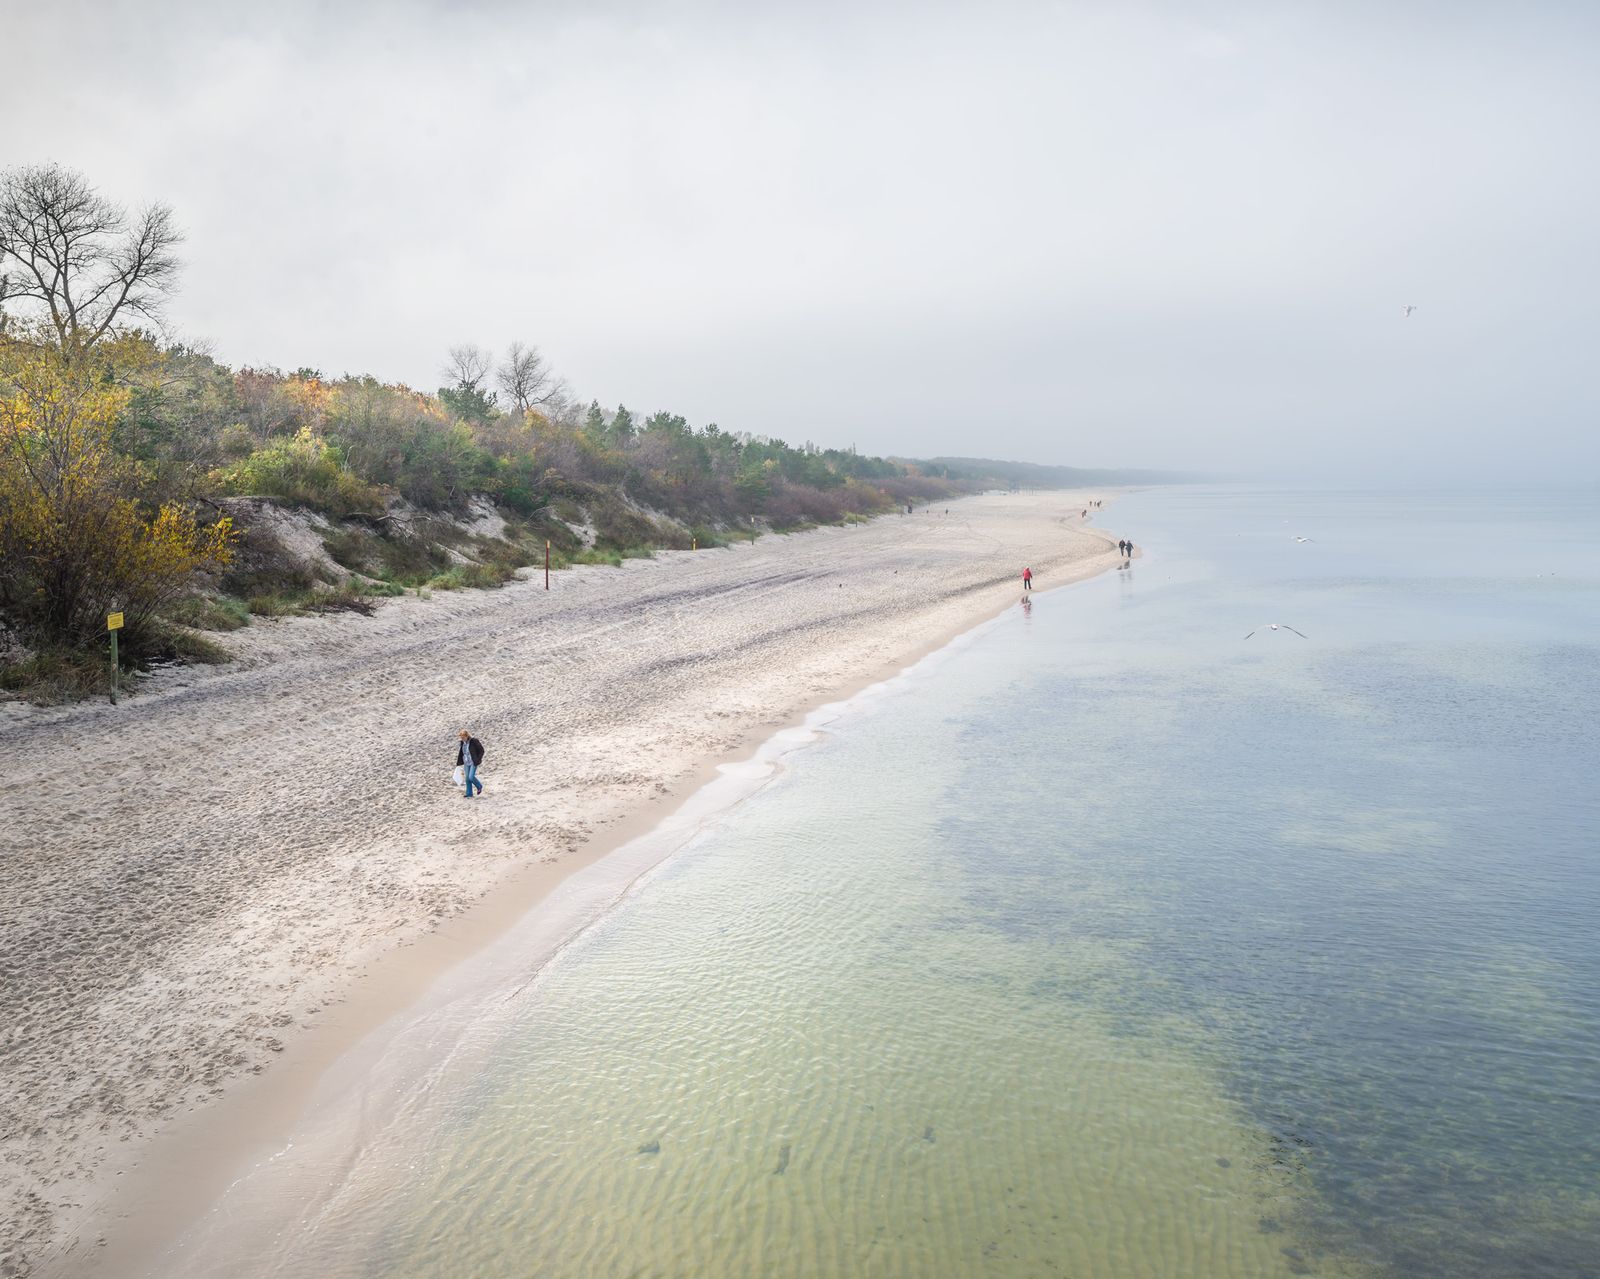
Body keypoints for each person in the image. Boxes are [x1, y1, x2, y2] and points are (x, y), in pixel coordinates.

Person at [455, 729, 485, 798]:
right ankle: (469, 793)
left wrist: (478, 759)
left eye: (463, 737)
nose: (462, 739)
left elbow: (481, 750)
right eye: (461, 738)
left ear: (467, 736)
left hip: (473, 762)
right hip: (466, 762)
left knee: (471, 777)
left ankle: (479, 786)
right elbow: (462, 753)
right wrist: (459, 762)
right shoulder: (462, 743)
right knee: (467, 778)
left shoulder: (474, 741)